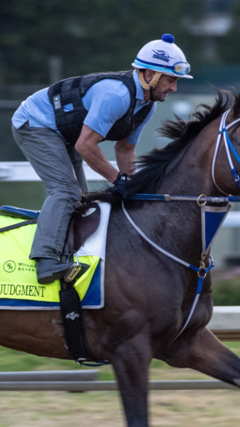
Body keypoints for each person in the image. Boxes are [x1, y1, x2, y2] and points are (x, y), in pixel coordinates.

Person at [11, 34, 192, 284]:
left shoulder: (147, 104)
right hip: (35, 124)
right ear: (150, 76)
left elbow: (125, 149)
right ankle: (46, 261)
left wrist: (132, 186)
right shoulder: (116, 96)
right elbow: (85, 145)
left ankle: (68, 256)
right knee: (65, 192)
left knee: (80, 199)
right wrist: (118, 180)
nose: (173, 88)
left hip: (64, 130)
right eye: (171, 80)